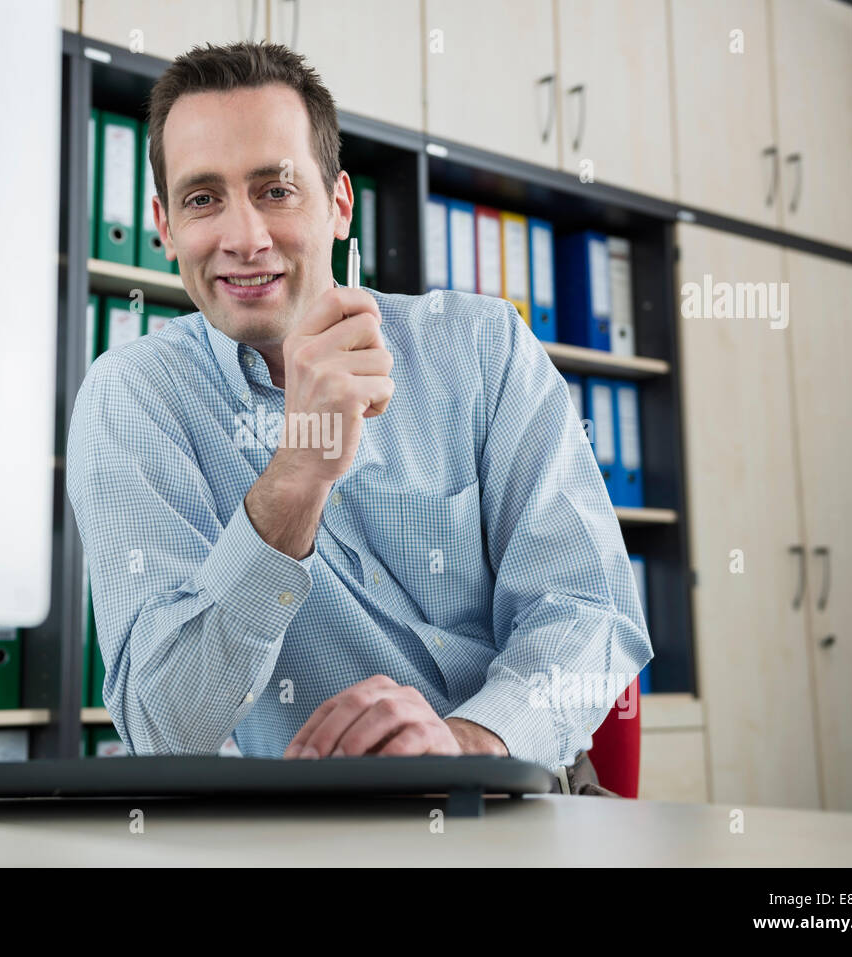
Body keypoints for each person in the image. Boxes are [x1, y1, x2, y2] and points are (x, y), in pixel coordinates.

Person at [67, 41, 651, 785]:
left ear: (340, 204)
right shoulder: (131, 400)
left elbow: (588, 609)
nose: (244, 239)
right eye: (203, 198)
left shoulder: (482, 347)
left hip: (515, 789)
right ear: (164, 224)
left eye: (275, 190)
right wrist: (296, 475)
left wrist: (466, 744)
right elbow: (166, 725)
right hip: (303, 825)